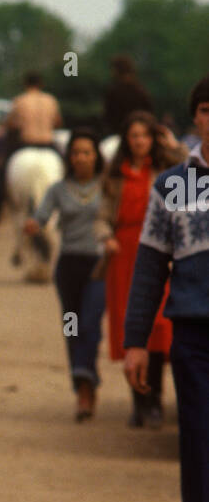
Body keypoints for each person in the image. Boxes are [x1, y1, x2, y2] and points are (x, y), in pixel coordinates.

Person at [123, 76, 209, 502]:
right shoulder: (172, 186)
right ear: (195, 118)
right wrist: (136, 341)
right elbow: (150, 267)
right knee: (199, 446)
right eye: (207, 108)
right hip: (195, 338)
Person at [96, 111, 186, 427]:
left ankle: (157, 400)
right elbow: (102, 215)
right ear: (126, 140)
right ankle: (138, 402)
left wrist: (172, 144)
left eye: (145, 136)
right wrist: (106, 236)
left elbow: (194, 164)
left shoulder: (165, 170)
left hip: (159, 252)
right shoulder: (115, 175)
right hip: (124, 253)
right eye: (134, 136)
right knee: (130, 324)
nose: (139, 142)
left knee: (160, 326)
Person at [25, 128, 106, 421]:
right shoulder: (58, 189)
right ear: (69, 157)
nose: (81, 158)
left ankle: (87, 381)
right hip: (68, 267)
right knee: (72, 328)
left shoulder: (107, 186)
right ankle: (83, 389)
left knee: (90, 324)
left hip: (99, 267)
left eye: (86, 152)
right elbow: (42, 215)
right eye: (76, 153)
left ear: (96, 156)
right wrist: (33, 224)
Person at [0, 72, 63, 226]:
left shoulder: (20, 100)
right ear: (41, 84)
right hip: (48, 143)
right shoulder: (50, 100)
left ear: (25, 84)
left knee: (3, 174)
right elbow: (58, 122)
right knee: (68, 169)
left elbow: (11, 124)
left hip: (26, 143)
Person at [103, 55, 153, 138]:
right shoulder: (141, 90)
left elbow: (108, 116)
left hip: (119, 133)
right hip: (139, 133)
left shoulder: (114, 91)